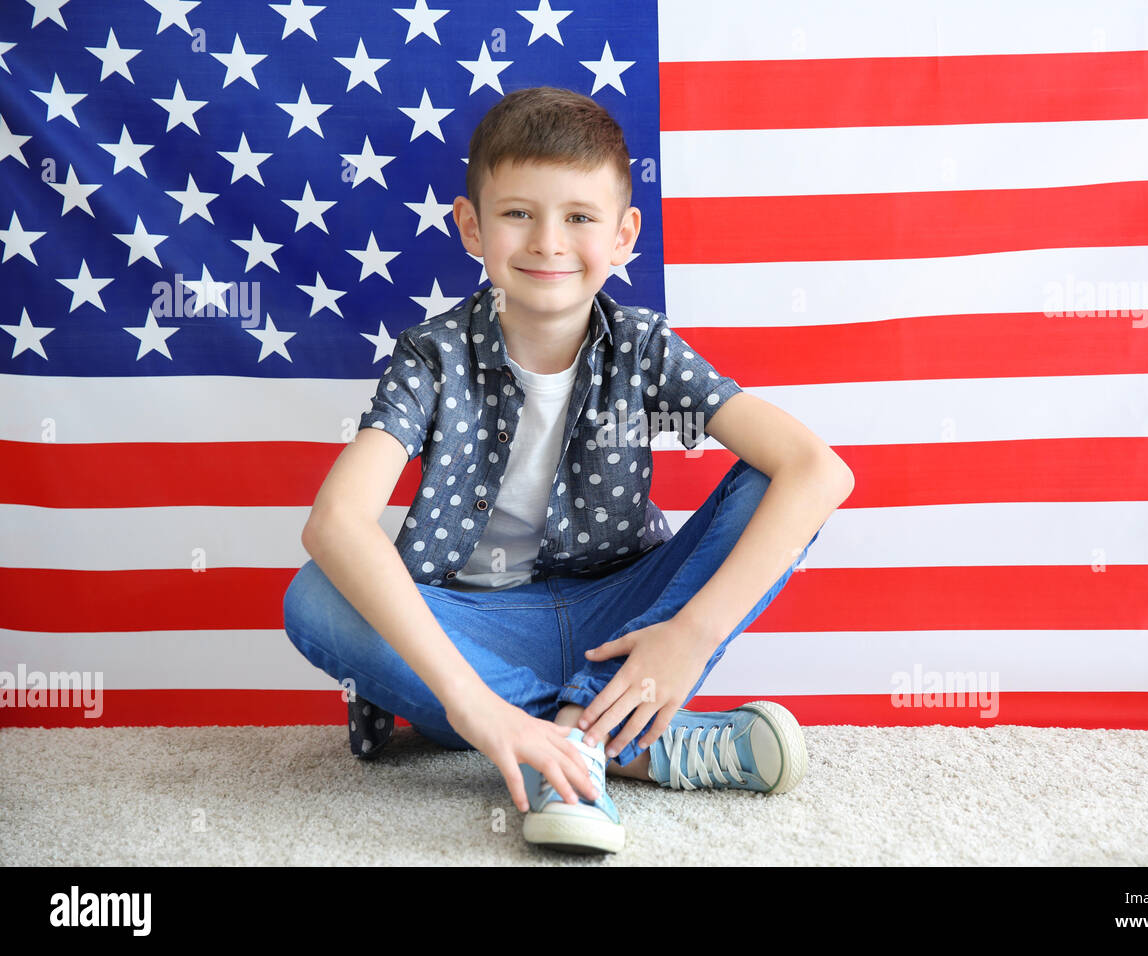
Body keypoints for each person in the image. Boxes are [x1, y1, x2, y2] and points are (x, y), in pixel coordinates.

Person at [281, 86, 855, 855]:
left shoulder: (645, 347)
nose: (549, 242)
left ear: (623, 237)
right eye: (519, 213)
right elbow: (336, 524)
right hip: (475, 631)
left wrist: (687, 636)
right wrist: (476, 710)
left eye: (580, 218)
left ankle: (578, 735)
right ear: (471, 226)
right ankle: (610, 741)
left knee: (771, 479)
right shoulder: (432, 355)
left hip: (620, 619)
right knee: (316, 596)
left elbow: (820, 471)